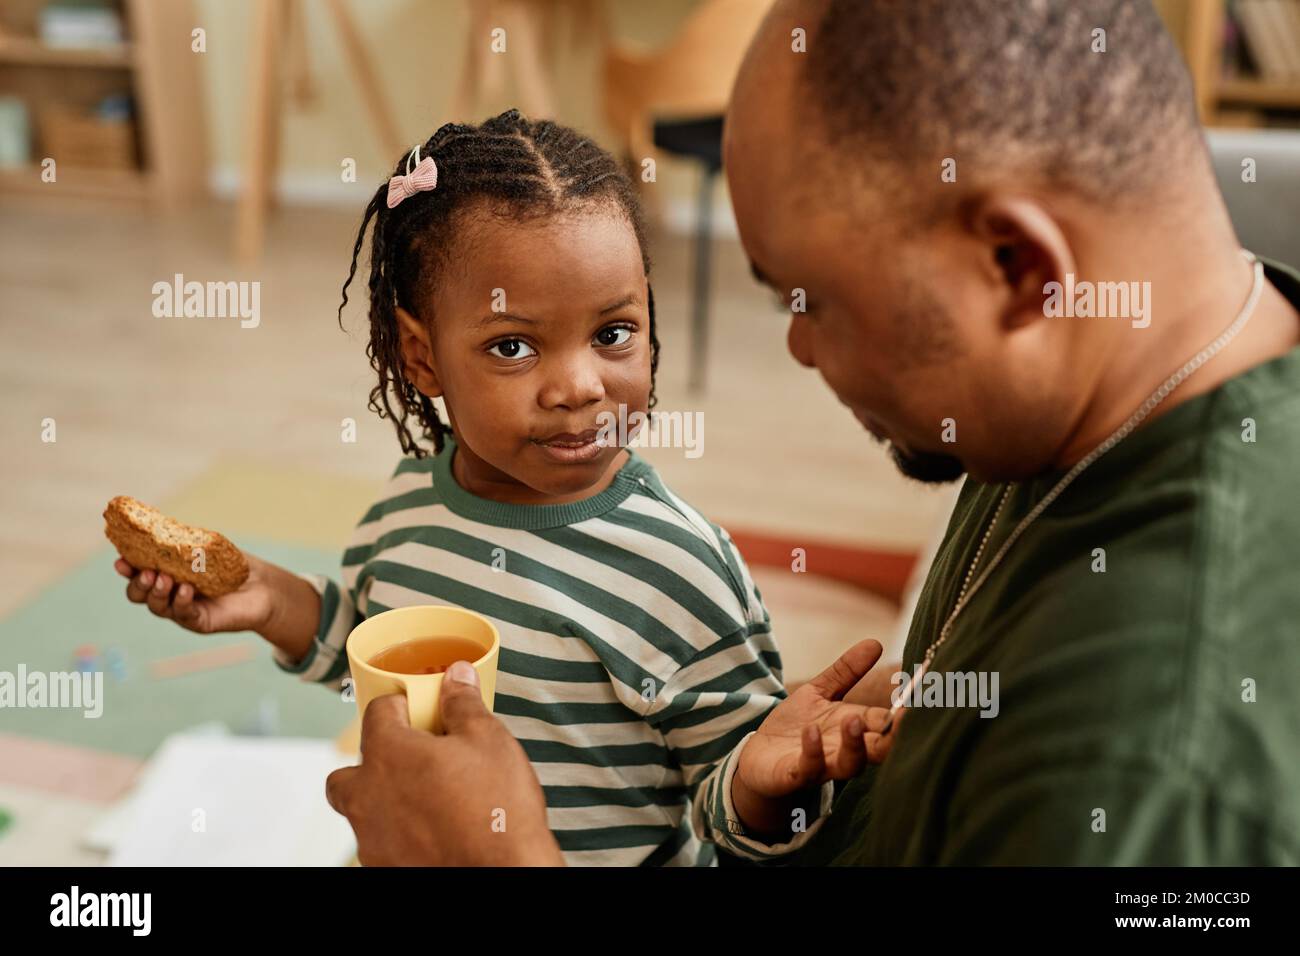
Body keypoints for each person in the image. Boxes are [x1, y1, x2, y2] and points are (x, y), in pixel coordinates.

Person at [331, 0, 1300, 865]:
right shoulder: (1115, 374)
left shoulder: (1150, 773)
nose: (797, 347)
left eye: (814, 300)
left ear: (1017, 269)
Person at [113, 109, 897, 866]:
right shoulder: (408, 503)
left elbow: (728, 803)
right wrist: (265, 599)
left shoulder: (679, 568)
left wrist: (762, 784)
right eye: (515, 345)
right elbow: (372, 655)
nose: (580, 386)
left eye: (613, 333)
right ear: (421, 358)